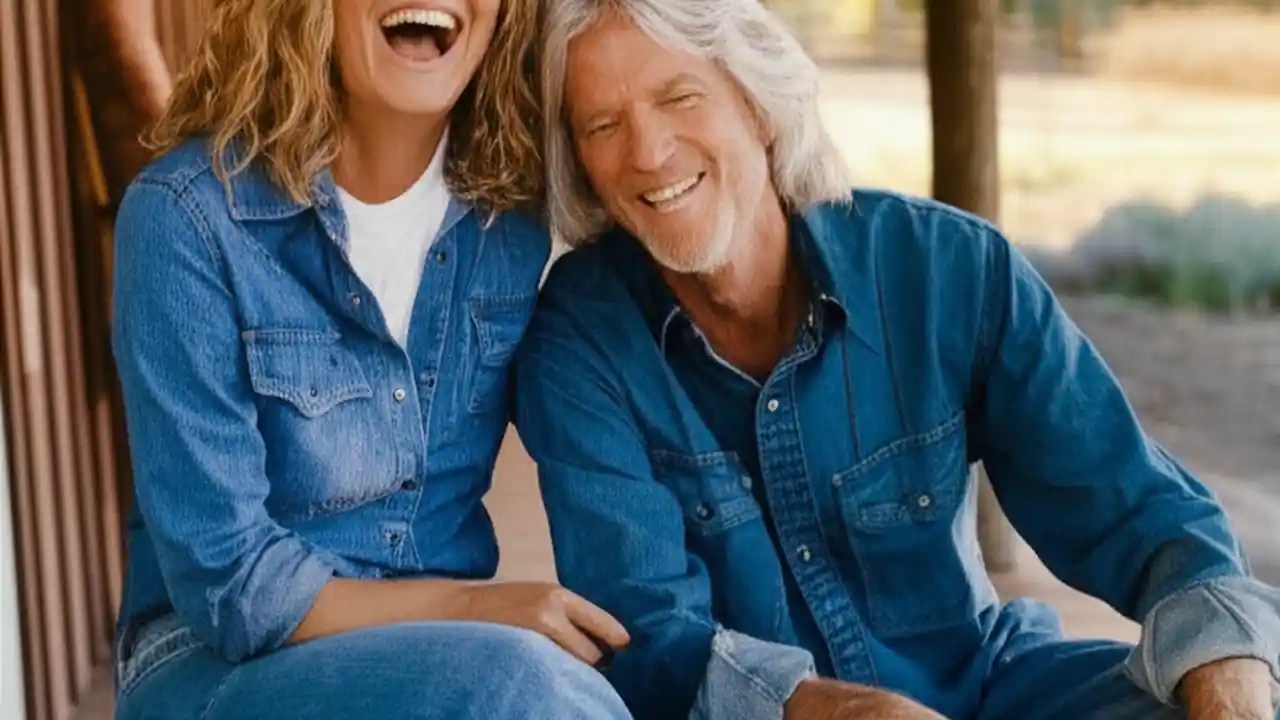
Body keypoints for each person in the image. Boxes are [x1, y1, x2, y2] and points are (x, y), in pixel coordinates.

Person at [513, 1, 1280, 718]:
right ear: (580, 163)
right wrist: (832, 710)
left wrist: (1227, 685)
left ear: (757, 103)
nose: (648, 152)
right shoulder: (578, 339)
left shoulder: (949, 268)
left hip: (991, 688)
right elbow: (648, 635)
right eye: (602, 125)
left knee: (1244, 664)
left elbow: (1138, 511)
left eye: (679, 97)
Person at [109, 1, 631, 717]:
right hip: (214, 664)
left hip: (441, 656)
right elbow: (232, 588)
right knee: (521, 688)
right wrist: (475, 608)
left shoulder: (510, 220)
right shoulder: (187, 218)